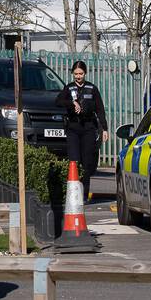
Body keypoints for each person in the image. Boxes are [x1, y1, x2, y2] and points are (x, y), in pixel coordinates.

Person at [56, 60, 108, 201]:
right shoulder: (69, 88)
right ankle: (73, 194)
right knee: (74, 161)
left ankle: (84, 195)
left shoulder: (92, 88)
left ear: (85, 73)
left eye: (81, 73)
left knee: (87, 163)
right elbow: (58, 101)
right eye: (76, 74)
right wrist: (71, 103)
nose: (78, 76)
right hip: (73, 128)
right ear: (72, 74)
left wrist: (104, 128)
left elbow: (100, 110)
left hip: (88, 129)